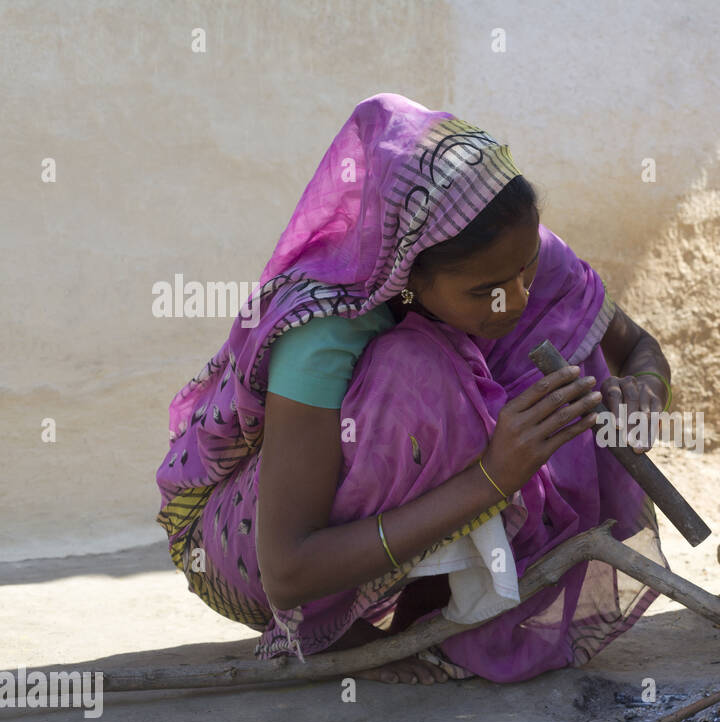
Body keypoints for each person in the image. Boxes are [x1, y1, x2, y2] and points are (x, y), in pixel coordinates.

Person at [155, 93, 672, 686]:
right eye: (485, 292)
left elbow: (638, 350)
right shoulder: (323, 335)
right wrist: (494, 478)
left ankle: (468, 613)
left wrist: (643, 392)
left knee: (571, 371)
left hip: (381, 530)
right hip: (245, 553)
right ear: (408, 273)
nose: (519, 299)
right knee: (420, 374)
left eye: (527, 270)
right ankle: (335, 634)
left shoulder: (510, 256)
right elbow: (288, 569)